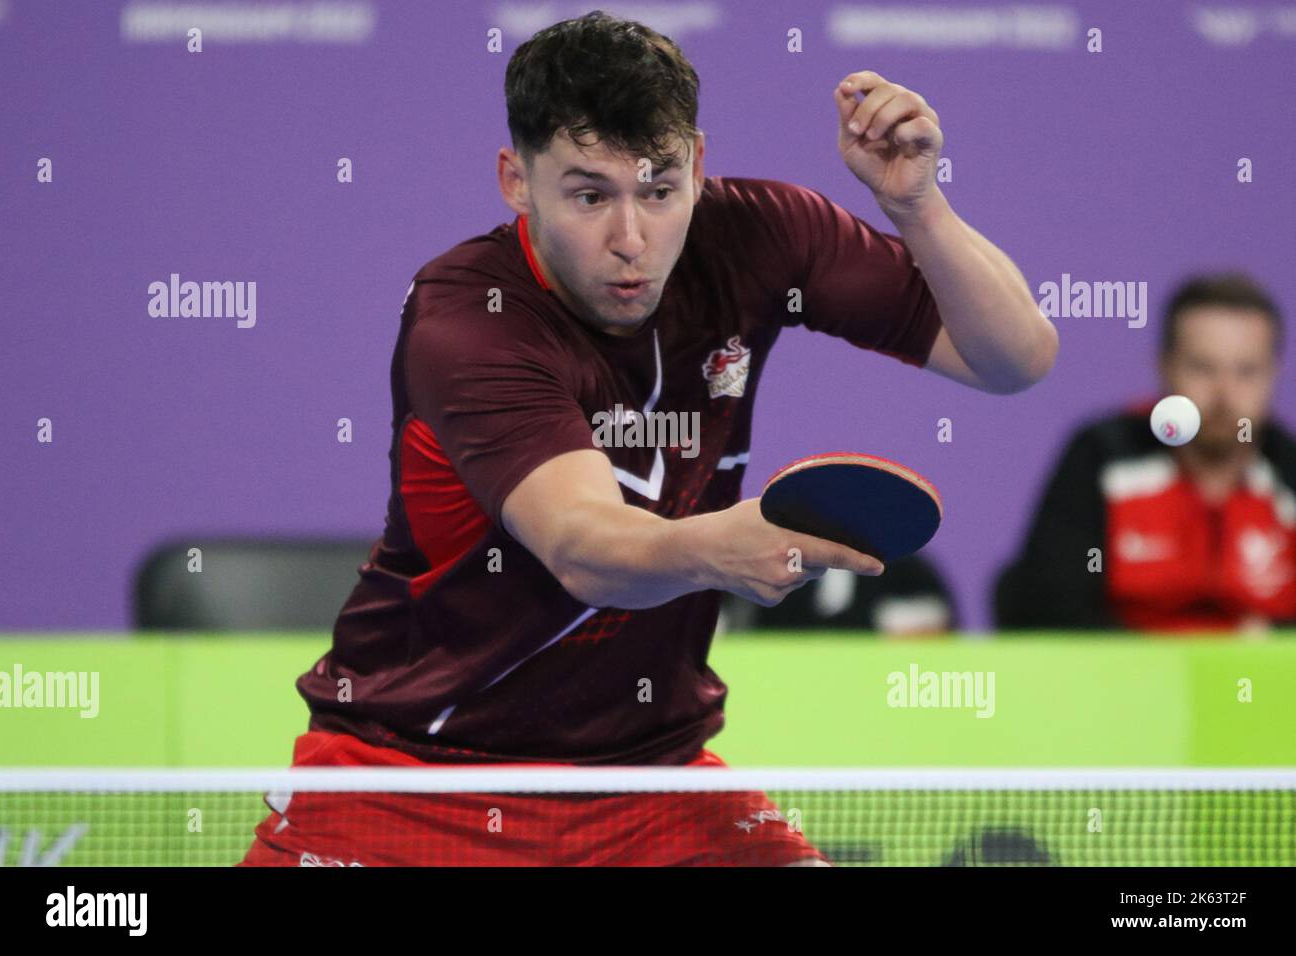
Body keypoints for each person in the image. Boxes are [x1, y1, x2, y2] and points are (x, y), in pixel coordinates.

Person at [242, 10, 1056, 867]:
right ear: (515, 181)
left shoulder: (759, 235)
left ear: (699, 166)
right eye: (590, 195)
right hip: (411, 779)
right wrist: (722, 546)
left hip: (654, 782)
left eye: (660, 189)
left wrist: (915, 205)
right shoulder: (468, 316)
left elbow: (1014, 356)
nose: (632, 241)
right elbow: (586, 549)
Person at [995, 273, 1296, 632]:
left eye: (1247, 371)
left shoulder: (1289, 473)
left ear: (1274, 373)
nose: (1224, 393)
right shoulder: (1102, 457)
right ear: (1164, 366)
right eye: (1202, 367)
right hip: (1123, 686)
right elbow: (1047, 609)